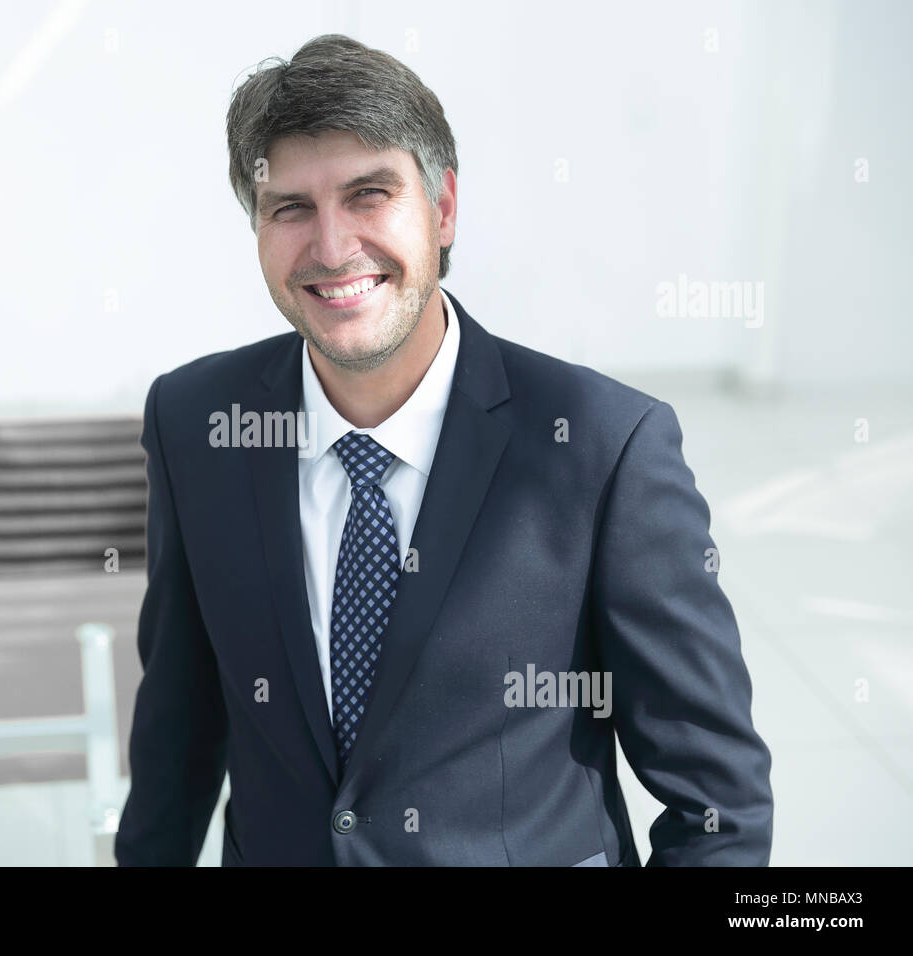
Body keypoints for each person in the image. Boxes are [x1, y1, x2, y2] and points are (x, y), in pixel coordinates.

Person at [114, 34, 772, 866]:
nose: (331, 246)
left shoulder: (604, 448)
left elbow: (720, 804)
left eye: (368, 194)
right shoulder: (195, 421)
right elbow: (176, 735)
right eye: (291, 208)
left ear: (443, 208)